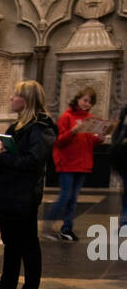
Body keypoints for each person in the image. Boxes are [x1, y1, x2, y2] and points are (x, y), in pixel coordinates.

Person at [0, 81, 56, 289]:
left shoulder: (40, 127)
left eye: (16, 95)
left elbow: (34, 161)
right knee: (10, 242)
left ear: (27, 100)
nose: (11, 98)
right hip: (9, 191)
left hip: (24, 193)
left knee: (28, 244)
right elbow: (1, 158)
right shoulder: (17, 126)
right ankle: (6, 286)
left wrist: (5, 159)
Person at [46, 86, 107, 241]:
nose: (87, 104)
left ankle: (67, 229)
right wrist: (72, 131)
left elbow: (89, 141)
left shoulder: (90, 119)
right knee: (65, 196)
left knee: (73, 198)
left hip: (82, 162)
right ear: (78, 99)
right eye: (85, 100)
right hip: (67, 162)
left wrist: (100, 137)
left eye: (90, 102)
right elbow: (58, 141)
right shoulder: (66, 117)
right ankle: (47, 225)